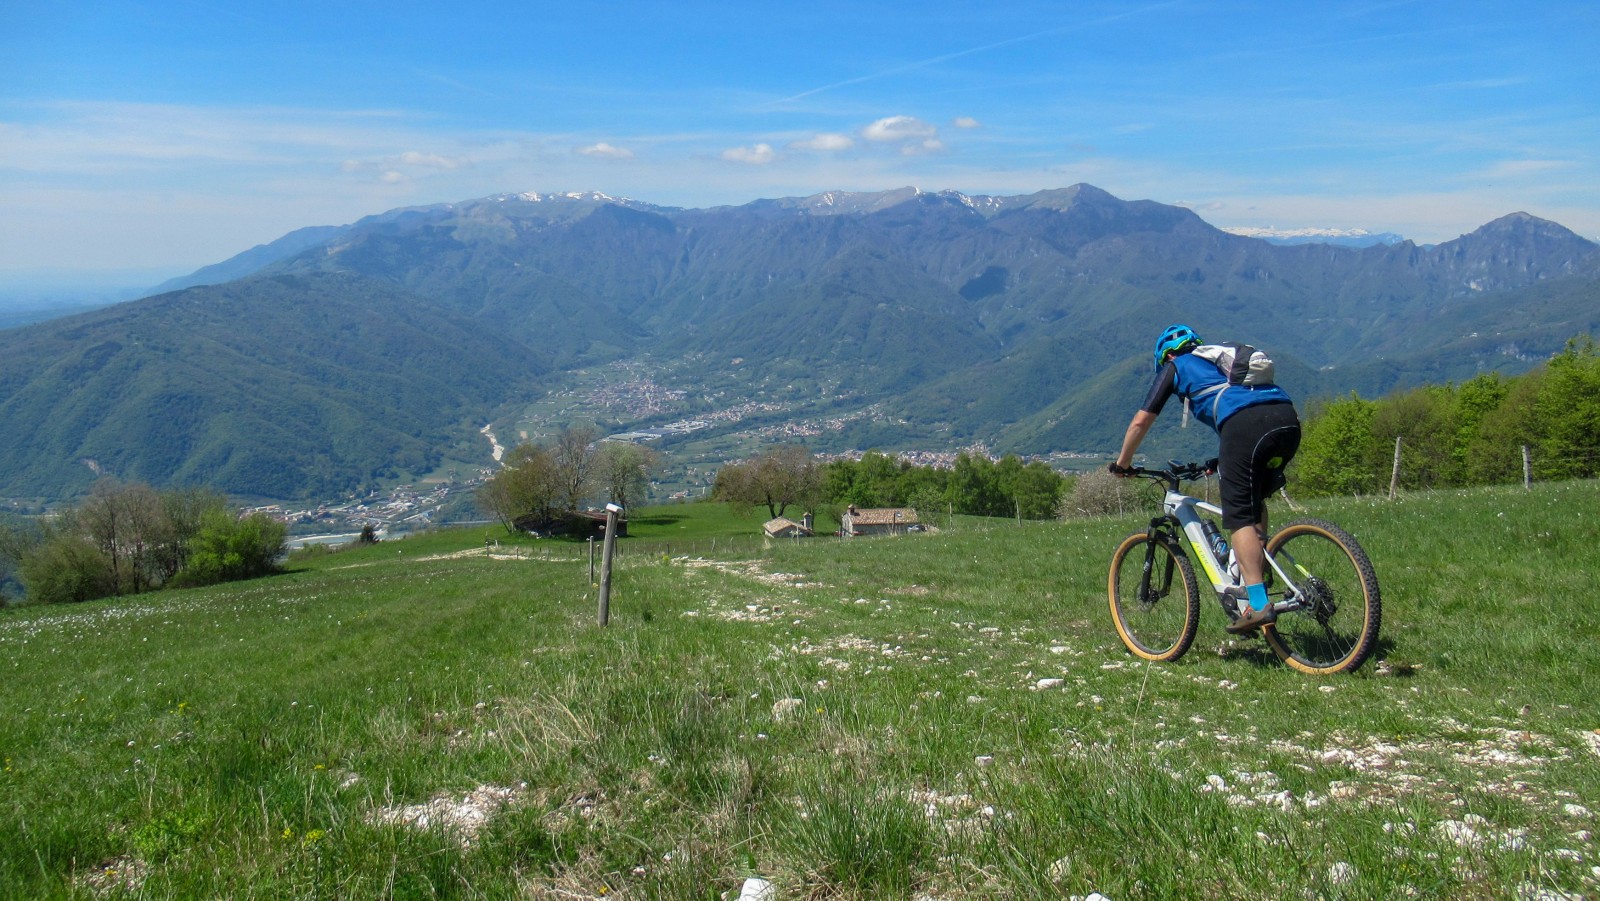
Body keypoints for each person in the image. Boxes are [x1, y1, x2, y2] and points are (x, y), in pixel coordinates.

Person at [1110, 325, 1301, 634]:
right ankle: (1256, 570)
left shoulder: (1177, 365)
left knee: (1238, 517)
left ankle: (1256, 601)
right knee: (1253, 503)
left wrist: (1123, 464)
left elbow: (1142, 419)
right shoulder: (1219, 365)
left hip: (1246, 427)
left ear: (1167, 355)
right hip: (1287, 421)